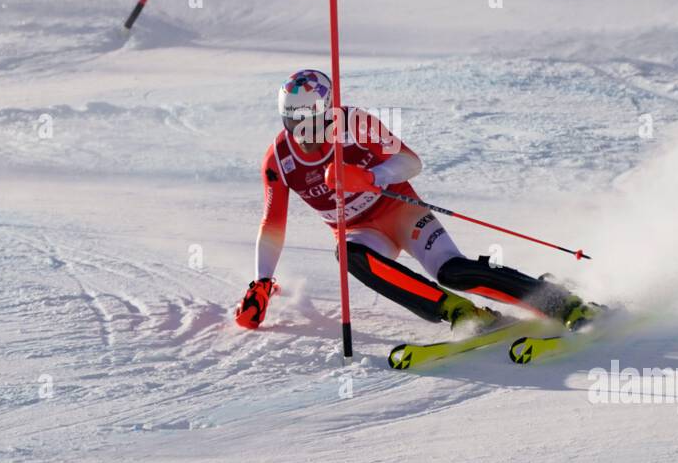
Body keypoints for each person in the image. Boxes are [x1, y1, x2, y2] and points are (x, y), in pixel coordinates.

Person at [234, 69, 597, 333]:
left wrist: (371, 177)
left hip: (400, 211)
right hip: (359, 231)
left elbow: (411, 162)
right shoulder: (279, 160)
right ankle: (457, 311)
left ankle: (561, 302)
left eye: (310, 123)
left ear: (327, 110)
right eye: (293, 124)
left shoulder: (355, 124)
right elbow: (272, 224)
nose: (304, 137)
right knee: (348, 256)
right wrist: (262, 283)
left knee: (452, 271)